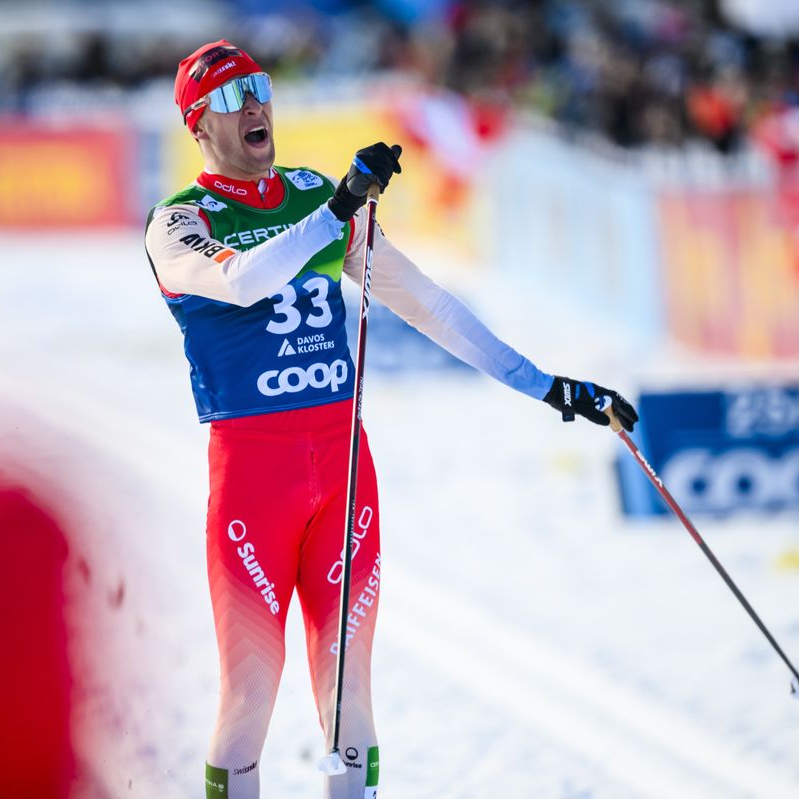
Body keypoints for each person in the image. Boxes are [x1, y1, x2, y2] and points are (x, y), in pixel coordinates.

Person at [143, 40, 638, 799]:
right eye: (229, 97)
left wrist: (547, 386)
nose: (253, 106)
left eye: (260, 87)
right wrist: (339, 208)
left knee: (349, 695)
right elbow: (242, 284)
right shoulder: (179, 221)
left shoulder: (311, 194)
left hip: (344, 470)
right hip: (253, 479)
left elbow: (428, 306)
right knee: (250, 697)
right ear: (197, 125)